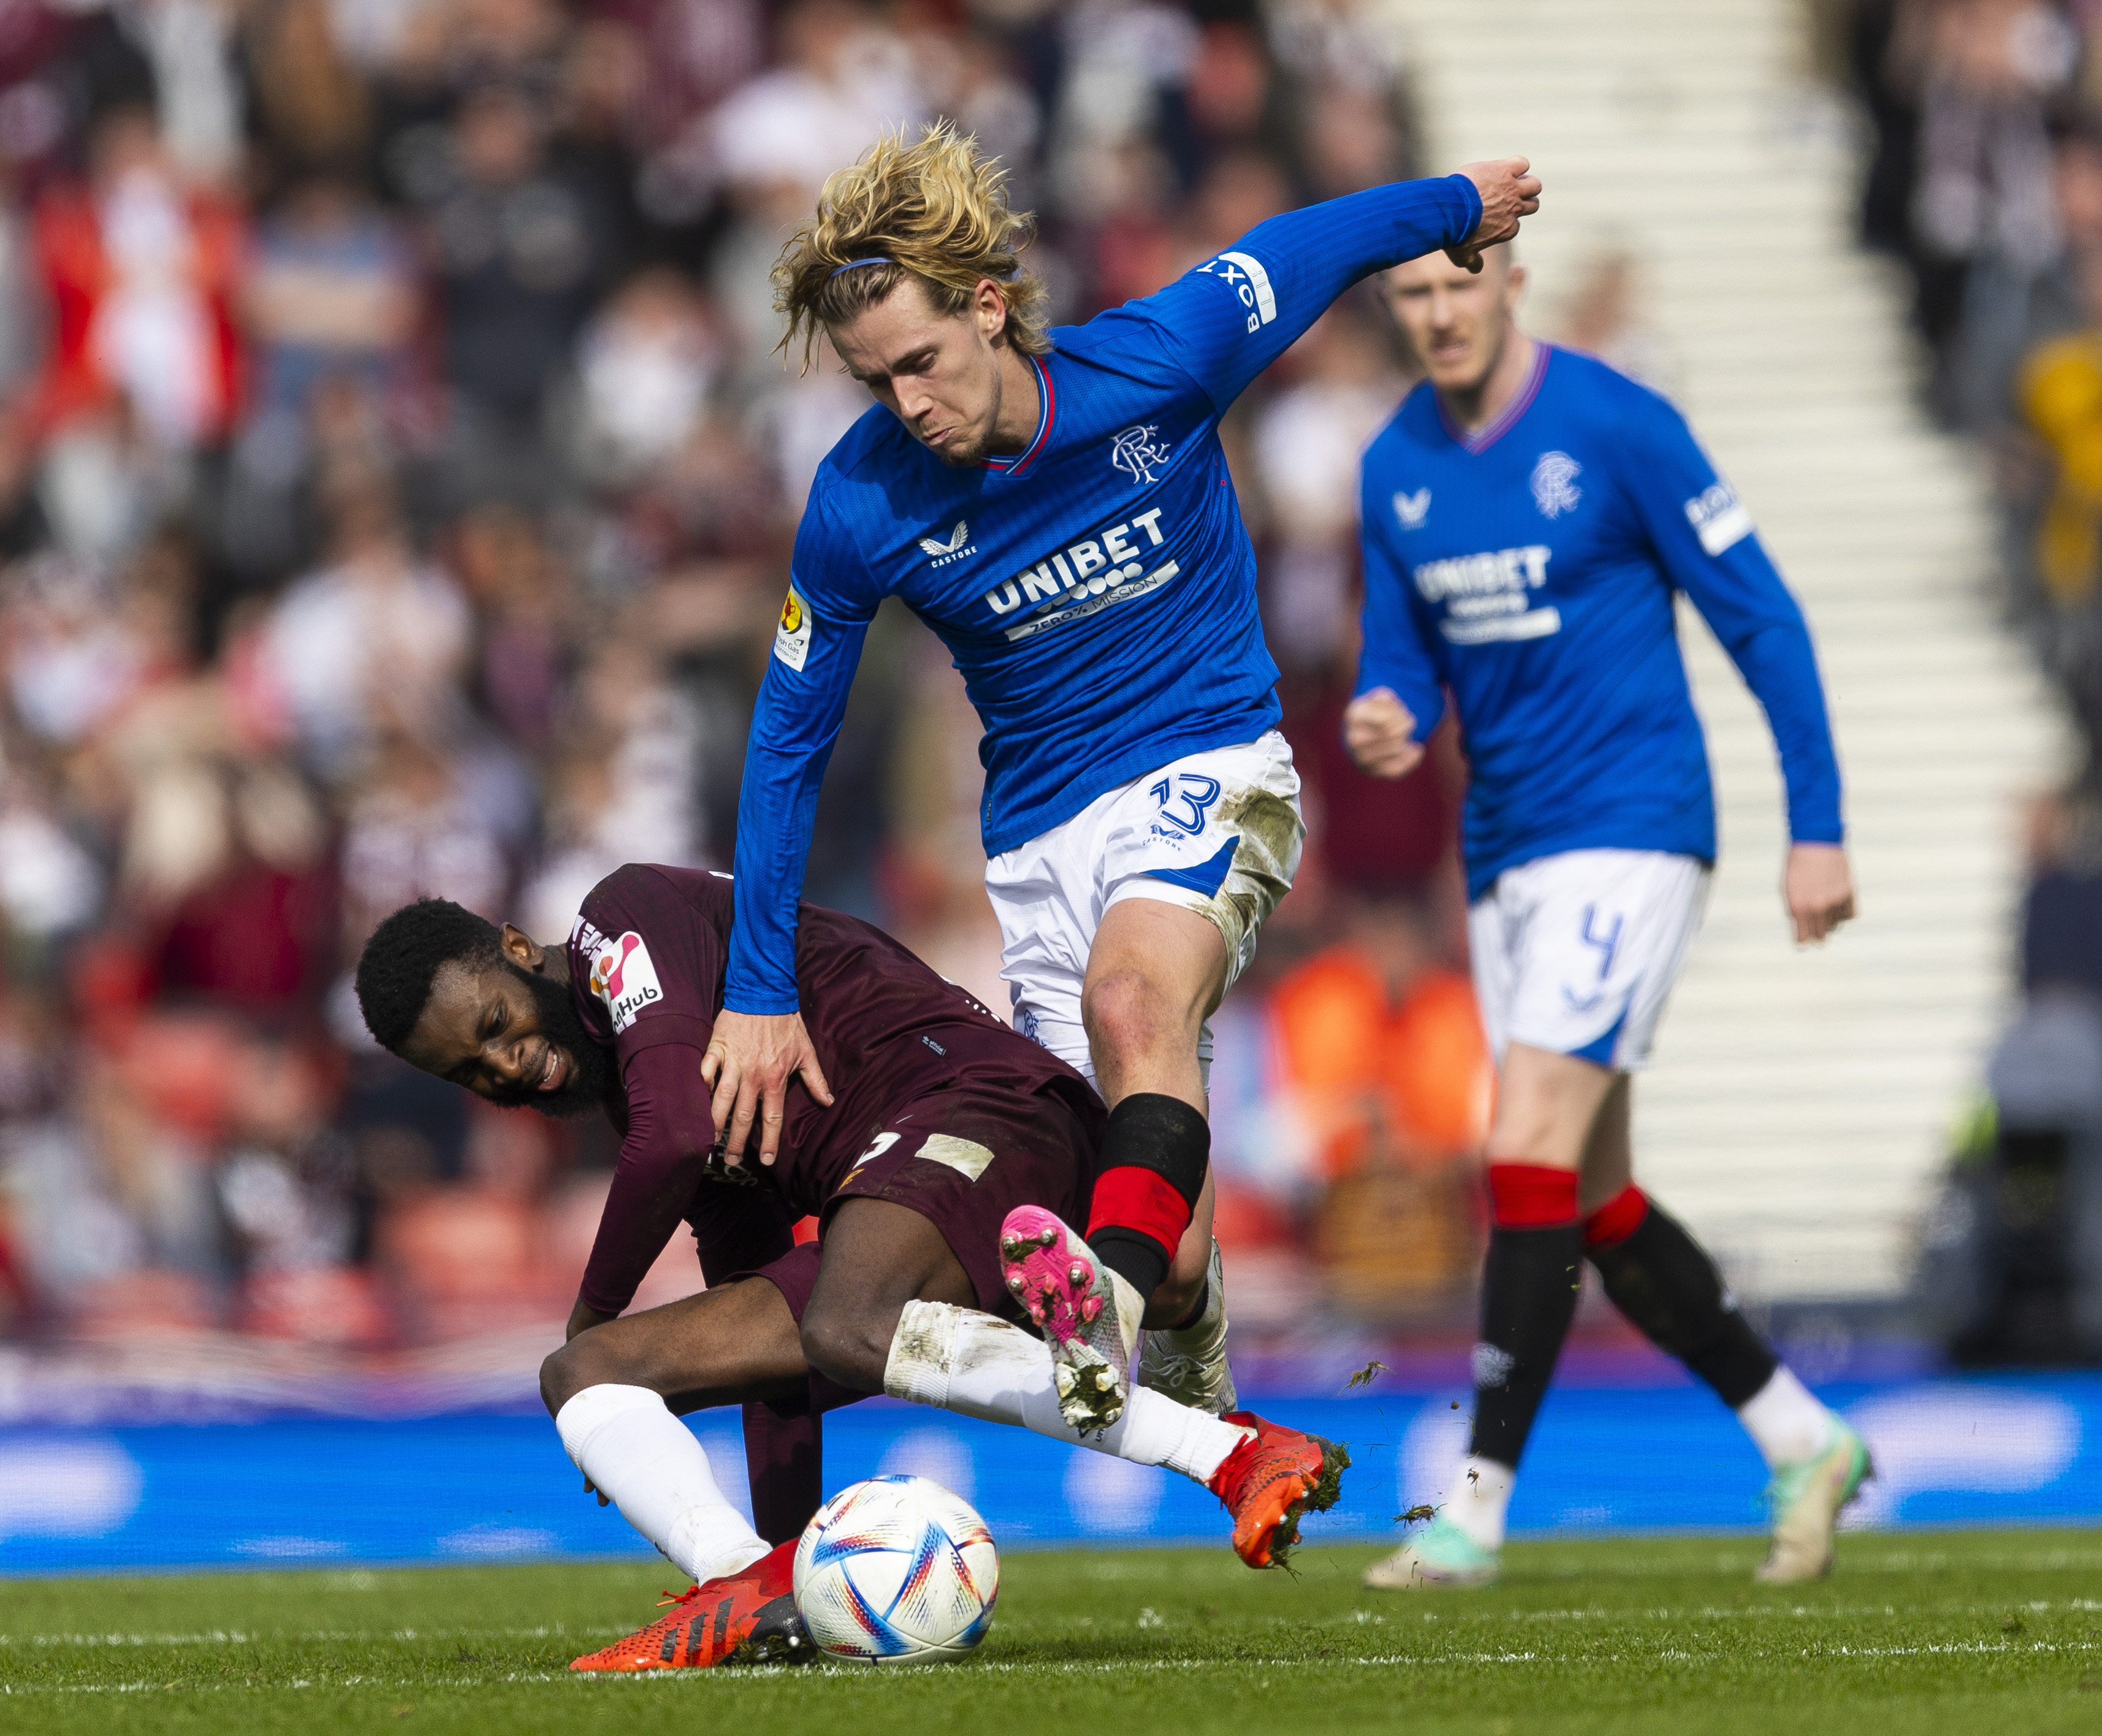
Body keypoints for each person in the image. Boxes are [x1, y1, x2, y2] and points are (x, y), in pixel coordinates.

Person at [706, 121, 1541, 1428]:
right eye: (878, 384)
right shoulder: (859, 505)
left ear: (988, 308)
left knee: (1130, 997)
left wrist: (1449, 205)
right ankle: (1184, 1329)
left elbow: (1291, 255)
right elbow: (786, 738)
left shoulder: (1154, 363)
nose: (909, 405)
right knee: (1166, 1211)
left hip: (1208, 762)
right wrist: (754, 987)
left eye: (922, 362)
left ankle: (1109, 1294)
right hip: (1040, 845)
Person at [352, 866, 1347, 1672]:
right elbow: (767, 1367)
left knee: (833, 1320)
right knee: (585, 1377)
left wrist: (589, 1306)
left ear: (520, 957)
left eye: (494, 1026)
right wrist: (790, 1567)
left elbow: (669, 1141)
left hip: (978, 1102)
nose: (508, 1064)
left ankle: (1228, 1451)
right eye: (472, 1072)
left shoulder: (622, 923)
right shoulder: (648, 1095)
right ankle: (743, 1581)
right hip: (911, 1192)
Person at [1344, 246, 1869, 1589]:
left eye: (1461, 286)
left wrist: (1815, 823)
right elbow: (1403, 653)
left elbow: (1761, 618)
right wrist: (1390, 710)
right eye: (1411, 295)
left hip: (1632, 826)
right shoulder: (1393, 465)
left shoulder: (1618, 426)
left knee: (1518, 1141)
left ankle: (1472, 1509)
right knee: (1586, 1193)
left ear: (1511, 279)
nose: (1441, 313)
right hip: (1504, 853)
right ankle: (1800, 1438)